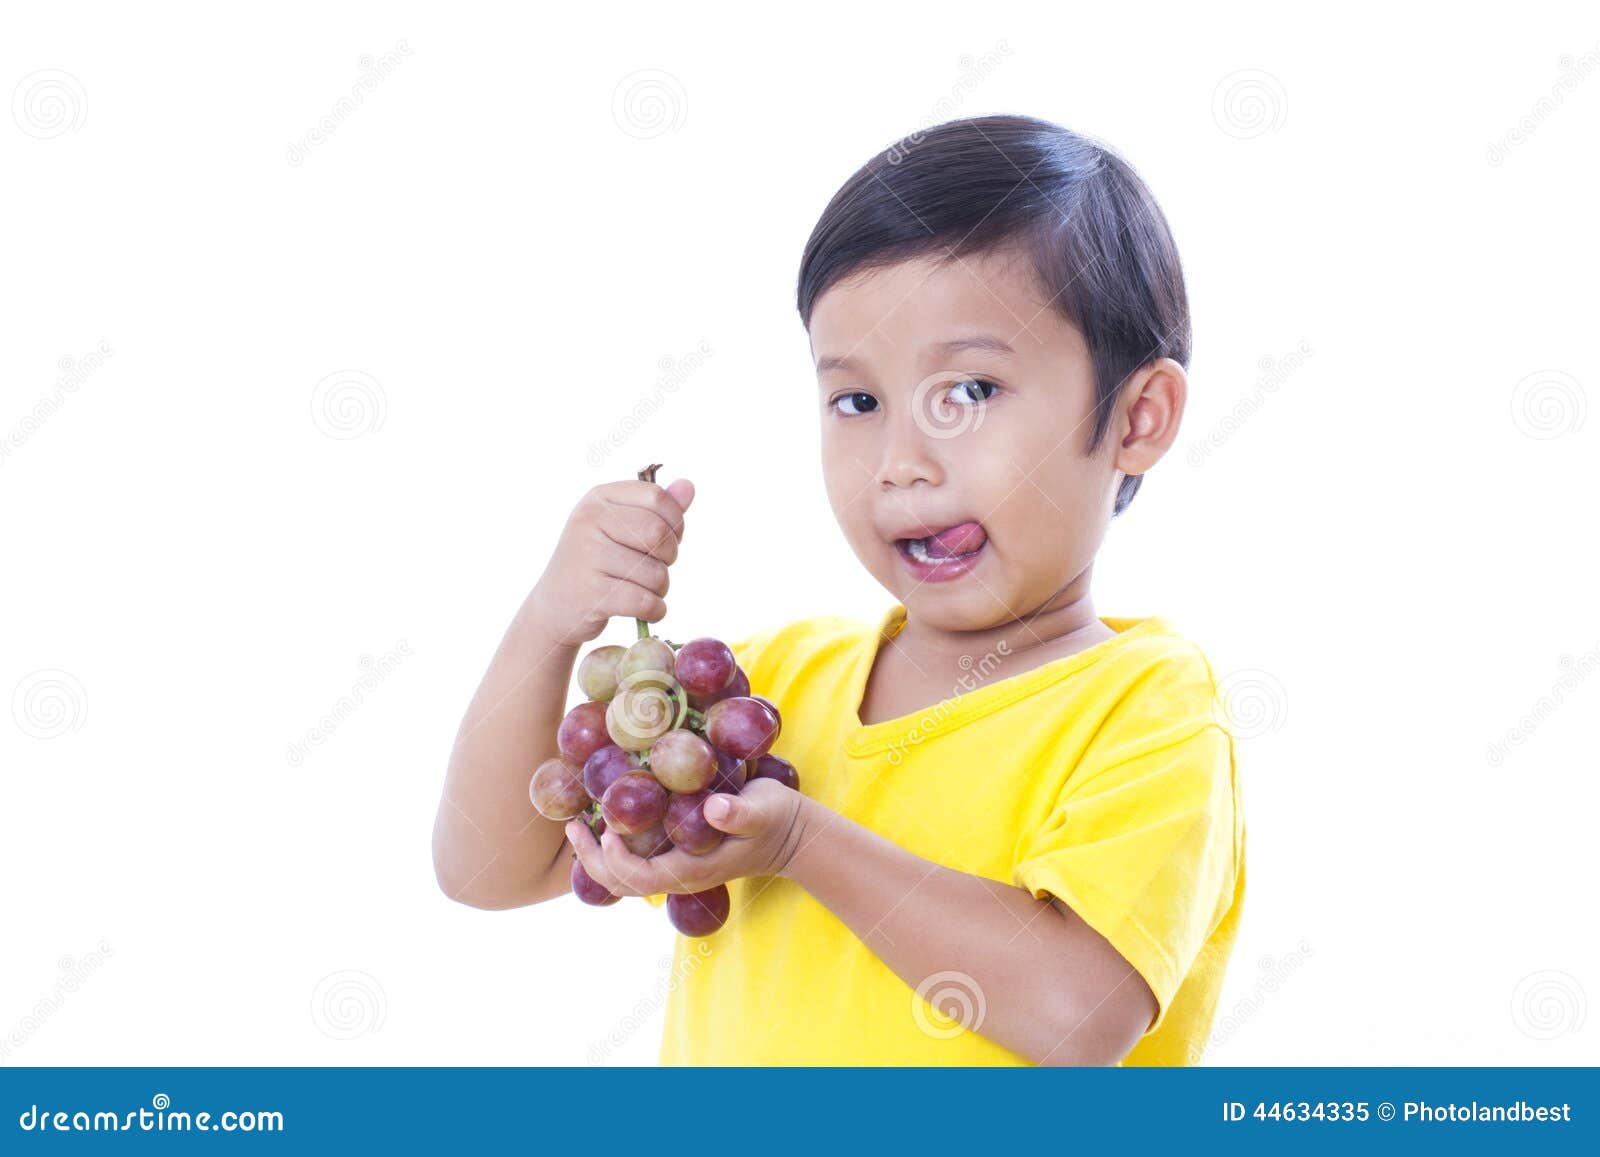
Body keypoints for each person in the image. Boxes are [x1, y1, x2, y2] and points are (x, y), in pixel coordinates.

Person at [433, 114, 1245, 1066]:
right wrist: (548, 622)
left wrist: (801, 845)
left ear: (1137, 418)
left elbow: (1075, 1014)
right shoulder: (767, 690)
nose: (901, 462)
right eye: (857, 401)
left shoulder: (1150, 707)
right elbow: (487, 868)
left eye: (969, 392)